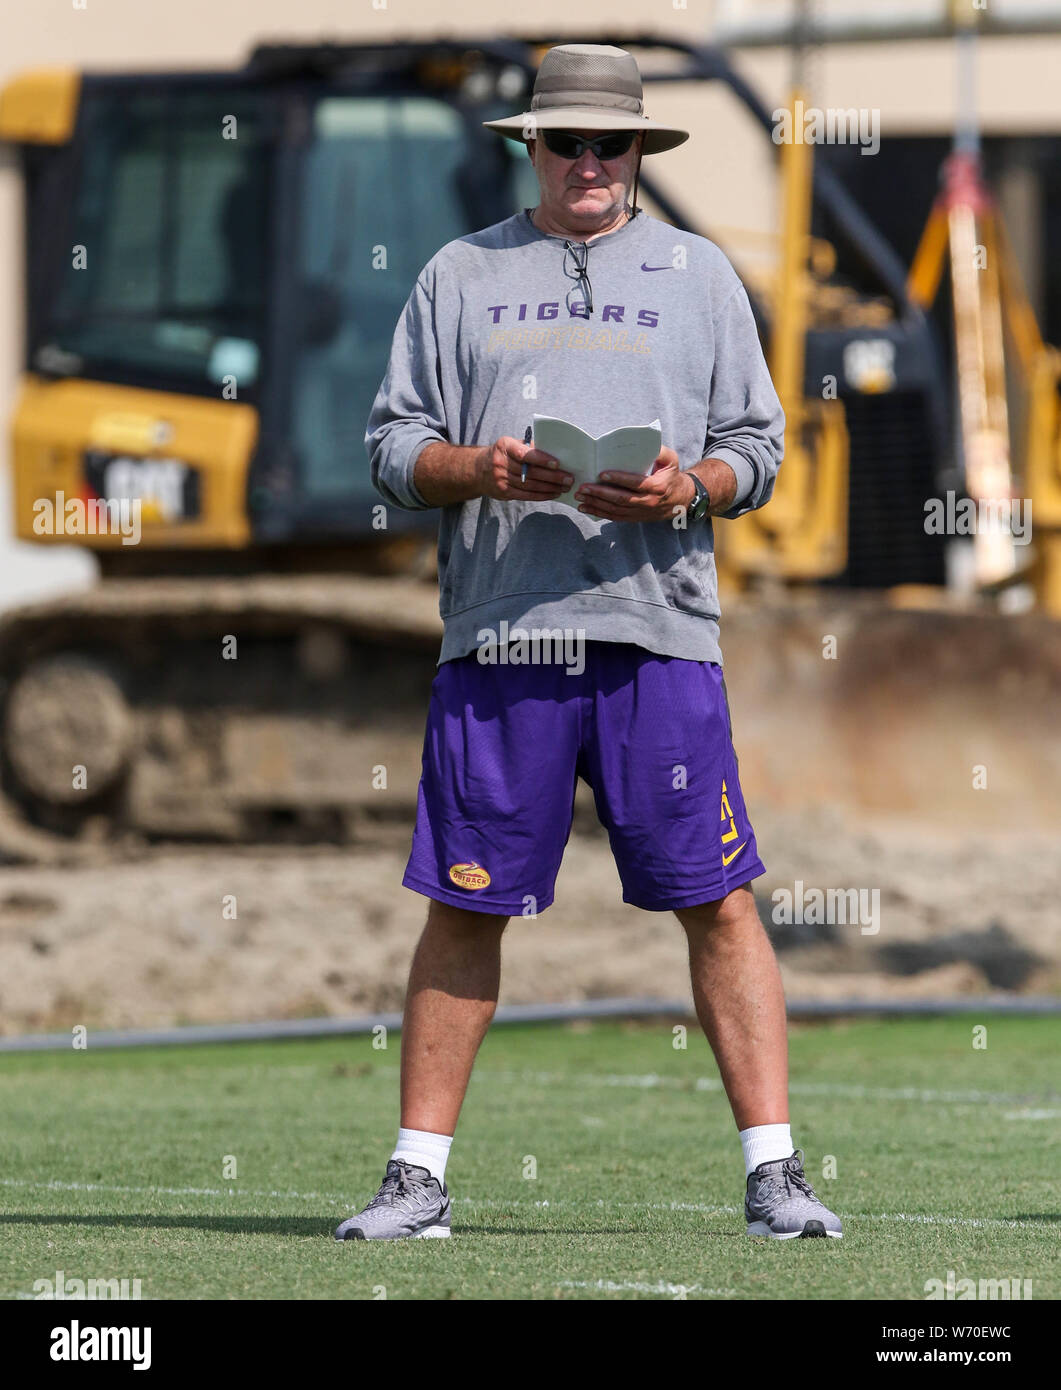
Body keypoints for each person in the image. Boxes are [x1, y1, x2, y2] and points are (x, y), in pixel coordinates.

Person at [338, 43, 841, 1242]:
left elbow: (758, 451)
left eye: (609, 144)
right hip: (498, 639)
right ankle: (417, 1179)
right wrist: (482, 467)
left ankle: (774, 1175)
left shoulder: (701, 274)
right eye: (565, 142)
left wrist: (686, 489)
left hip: (655, 635)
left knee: (717, 898)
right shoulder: (458, 274)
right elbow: (391, 447)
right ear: (531, 147)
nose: (589, 163)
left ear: (637, 153)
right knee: (465, 903)